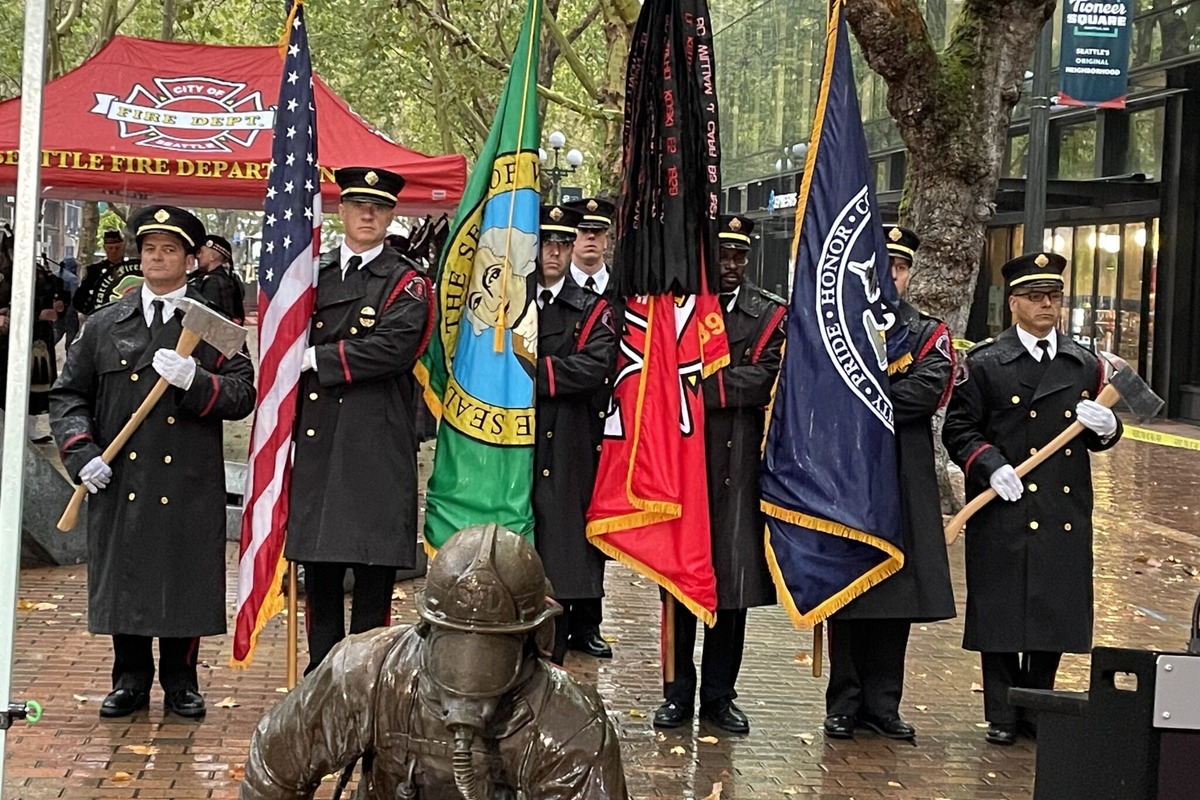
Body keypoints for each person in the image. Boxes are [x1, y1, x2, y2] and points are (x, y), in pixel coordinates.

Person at [241, 523, 628, 800]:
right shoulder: (364, 672)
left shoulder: (570, 724)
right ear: (425, 627)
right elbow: (273, 770)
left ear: (536, 637)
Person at [50, 205, 256, 719]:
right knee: (129, 578)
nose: (157, 258)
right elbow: (69, 395)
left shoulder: (213, 326)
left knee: (183, 577)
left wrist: (196, 380)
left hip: (186, 476)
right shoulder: (105, 323)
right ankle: (130, 678)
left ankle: (182, 680)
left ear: (189, 259)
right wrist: (82, 454)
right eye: (149, 249)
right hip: (121, 476)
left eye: (169, 250)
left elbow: (243, 394)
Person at [943, 251, 1122, 746]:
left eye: (1054, 296)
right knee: (1001, 611)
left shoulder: (1083, 363)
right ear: (1014, 303)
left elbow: (1095, 435)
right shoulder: (985, 362)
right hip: (1004, 501)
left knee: (1053, 609)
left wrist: (1108, 428)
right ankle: (1002, 712)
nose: (1047, 305)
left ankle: (1038, 706)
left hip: (1061, 506)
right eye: (1035, 296)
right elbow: (959, 429)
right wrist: (989, 464)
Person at [287, 166, 434, 674]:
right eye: (358, 206)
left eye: (378, 208)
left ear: (390, 216)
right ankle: (321, 677)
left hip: (375, 441)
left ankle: (367, 681)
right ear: (342, 211)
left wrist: (319, 358)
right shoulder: (312, 274)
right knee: (320, 573)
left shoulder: (406, 282)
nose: (367, 215)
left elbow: (394, 348)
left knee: (373, 576)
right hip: (319, 437)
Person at [823, 225, 957, 742]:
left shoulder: (926, 332)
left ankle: (883, 704)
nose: (891, 276)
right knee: (849, 589)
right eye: (883, 267)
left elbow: (926, 392)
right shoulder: (838, 329)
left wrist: (860, 397)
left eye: (899, 268)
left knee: (896, 596)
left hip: (903, 477)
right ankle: (843, 702)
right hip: (851, 479)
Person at [653, 214, 785, 735]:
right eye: (722, 256)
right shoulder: (677, 310)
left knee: (733, 589)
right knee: (676, 586)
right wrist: (717, 381)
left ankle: (719, 695)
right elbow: (657, 377)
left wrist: (700, 385)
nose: (731, 265)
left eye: (739, 256)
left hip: (739, 468)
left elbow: (767, 377)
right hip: (682, 466)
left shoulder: (767, 313)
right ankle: (675, 693)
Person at [533, 203, 617, 664]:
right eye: (547, 242)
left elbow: (594, 367)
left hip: (568, 443)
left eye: (563, 244)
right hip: (517, 448)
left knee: (563, 559)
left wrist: (530, 374)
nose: (555, 252)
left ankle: (558, 663)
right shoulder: (511, 300)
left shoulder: (591, 309)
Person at [74, 230, 142, 316]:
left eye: (117, 248)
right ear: (105, 248)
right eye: (110, 248)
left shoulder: (135, 268)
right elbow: (79, 302)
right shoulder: (94, 271)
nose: (114, 251)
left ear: (123, 247)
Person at [563, 197, 615, 296]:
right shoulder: (557, 289)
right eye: (584, 230)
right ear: (571, 238)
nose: (591, 236)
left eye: (597, 231)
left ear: (606, 240)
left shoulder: (622, 289)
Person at [189, 234, 246, 323]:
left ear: (212, 257)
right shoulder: (231, 278)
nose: (198, 256)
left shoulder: (214, 282)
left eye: (201, 252)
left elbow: (205, 317)